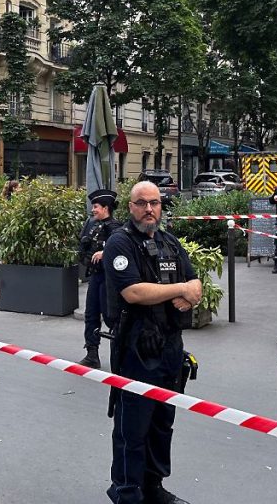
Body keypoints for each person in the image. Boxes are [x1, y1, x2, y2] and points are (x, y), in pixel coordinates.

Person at [103, 181, 201, 504]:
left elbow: (195, 283)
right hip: (136, 350)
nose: (149, 209)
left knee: (162, 424)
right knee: (133, 427)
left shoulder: (169, 242)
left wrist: (191, 294)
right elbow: (133, 292)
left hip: (169, 349)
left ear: (161, 206)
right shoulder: (120, 243)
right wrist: (179, 291)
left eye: (155, 203)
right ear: (130, 207)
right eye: (142, 203)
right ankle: (127, 492)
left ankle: (153, 487)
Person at [77, 189, 123, 368]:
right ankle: (92, 353)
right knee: (91, 314)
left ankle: (119, 353)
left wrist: (105, 252)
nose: (93, 210)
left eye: (96, 206)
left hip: (108, 280)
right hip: (95, 277)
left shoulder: (116, 228)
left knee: (111, 317)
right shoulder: (92, 224)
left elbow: (122, 248)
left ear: (106, 208)